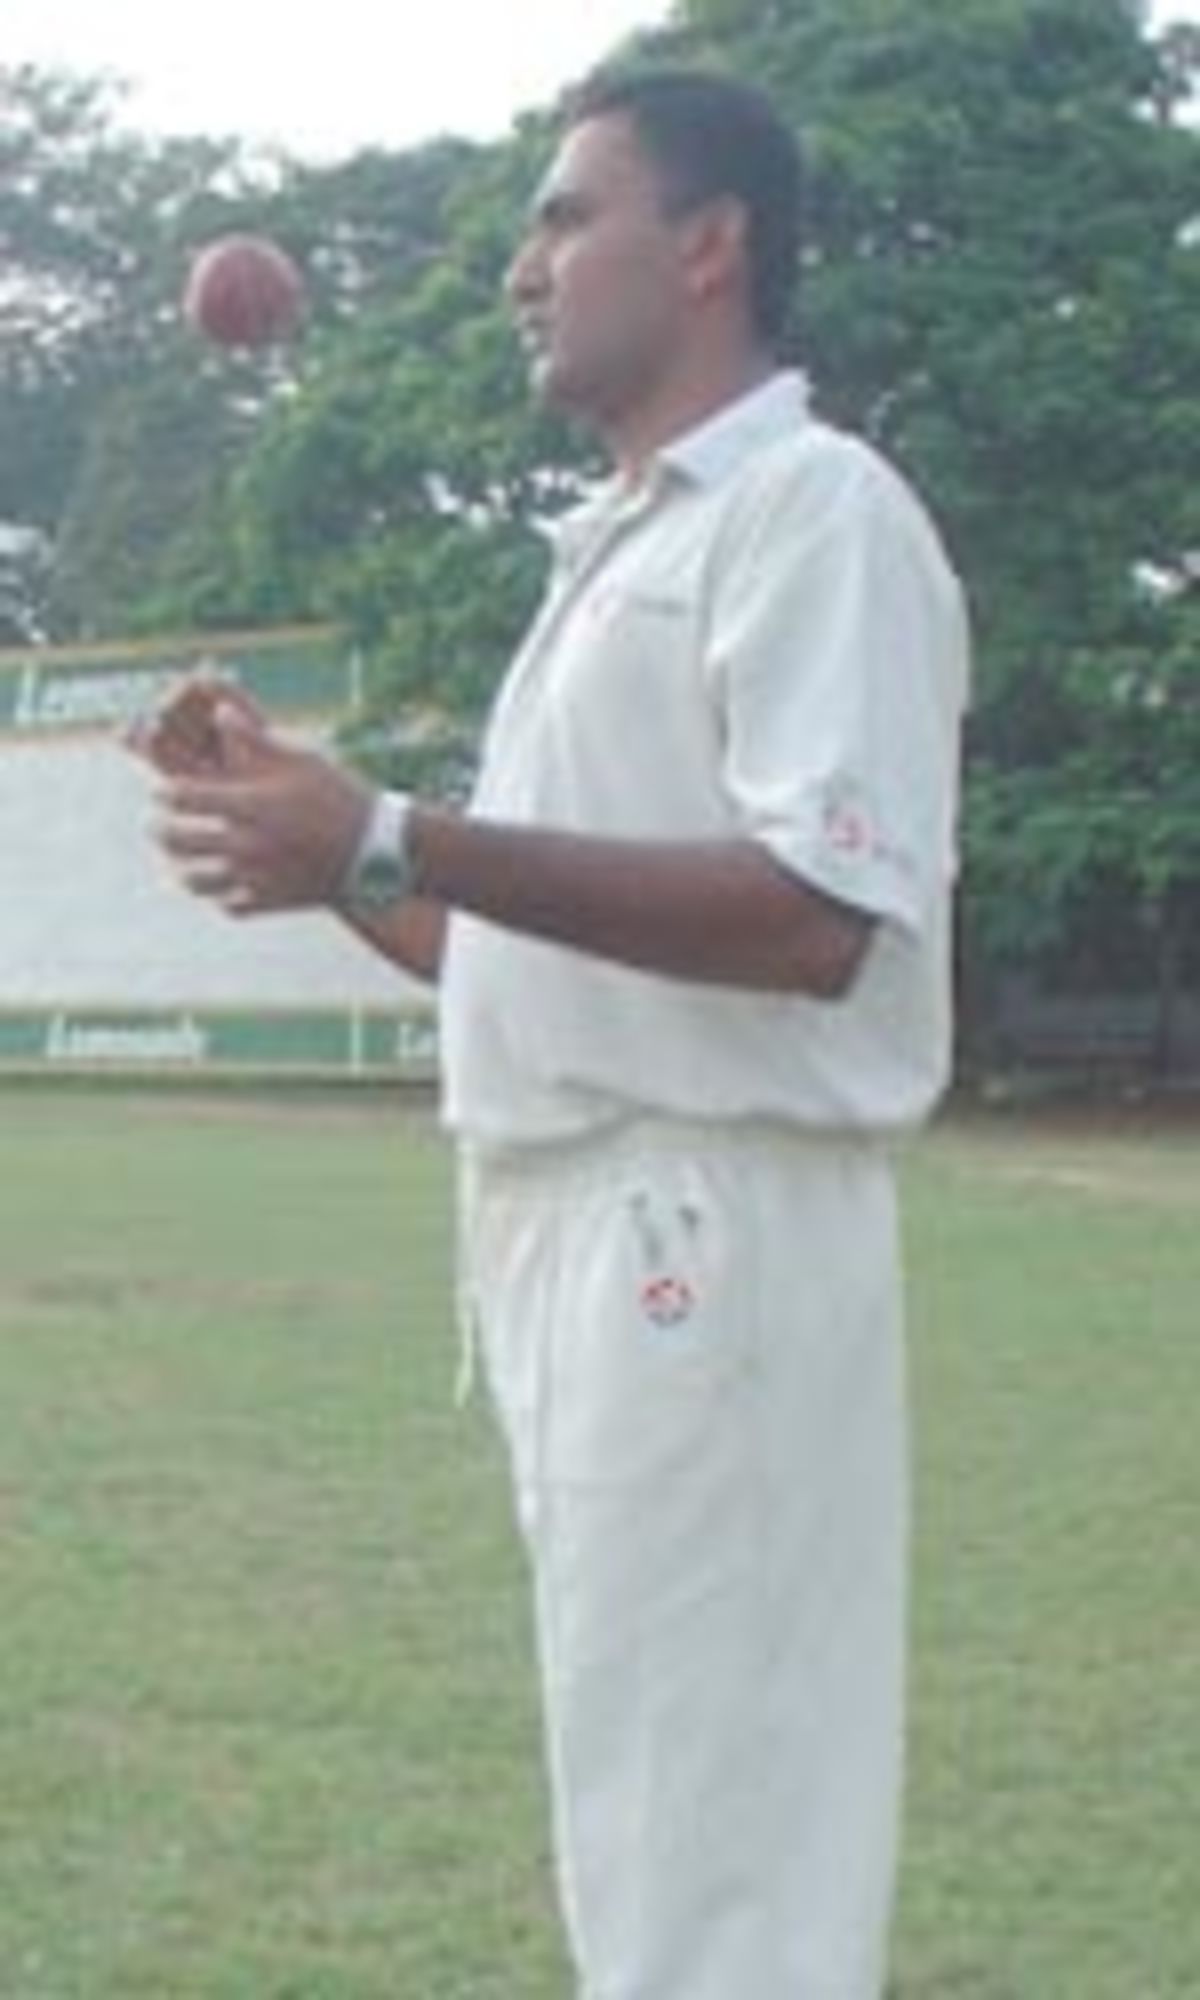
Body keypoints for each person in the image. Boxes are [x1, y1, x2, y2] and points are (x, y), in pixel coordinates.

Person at [137, 66, 969, 2000]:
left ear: (709, 244)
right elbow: (522, 954)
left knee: (718, 1868)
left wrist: (392, 828)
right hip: (575, 1233)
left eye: (563, 214)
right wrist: (328, 852)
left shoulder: (809, 510)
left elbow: (820, 915)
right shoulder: (615, 553)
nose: (521, 268)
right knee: (650, 1822)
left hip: (711, 1235)